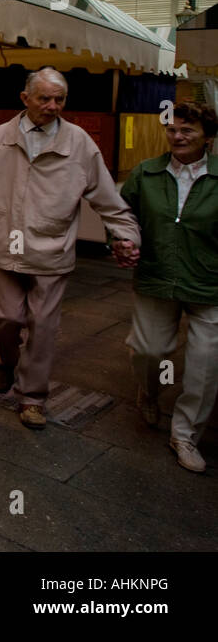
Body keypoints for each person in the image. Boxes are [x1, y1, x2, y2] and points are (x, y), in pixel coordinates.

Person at [0, 67, 140, 429]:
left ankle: (32, 398)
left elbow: (106, 196)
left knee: (42, 327)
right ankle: (6, 359)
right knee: (7, 319)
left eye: (60, 99)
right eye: (45, 98)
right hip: (6, 245)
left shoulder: (79, 143)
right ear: (25, 99)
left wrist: (125, 233)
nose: (53, 106)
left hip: (52, 250)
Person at [119, 102, 218, 472]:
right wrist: (122, 239)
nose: (177, 136)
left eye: (187, 130)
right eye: (172, 129)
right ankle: (150, 391)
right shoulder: (147, 173)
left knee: (206, 363)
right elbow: (123, 215)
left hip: (209, 283)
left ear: (207, 137)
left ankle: (185, 433)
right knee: (149, 350)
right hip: (157, 276)